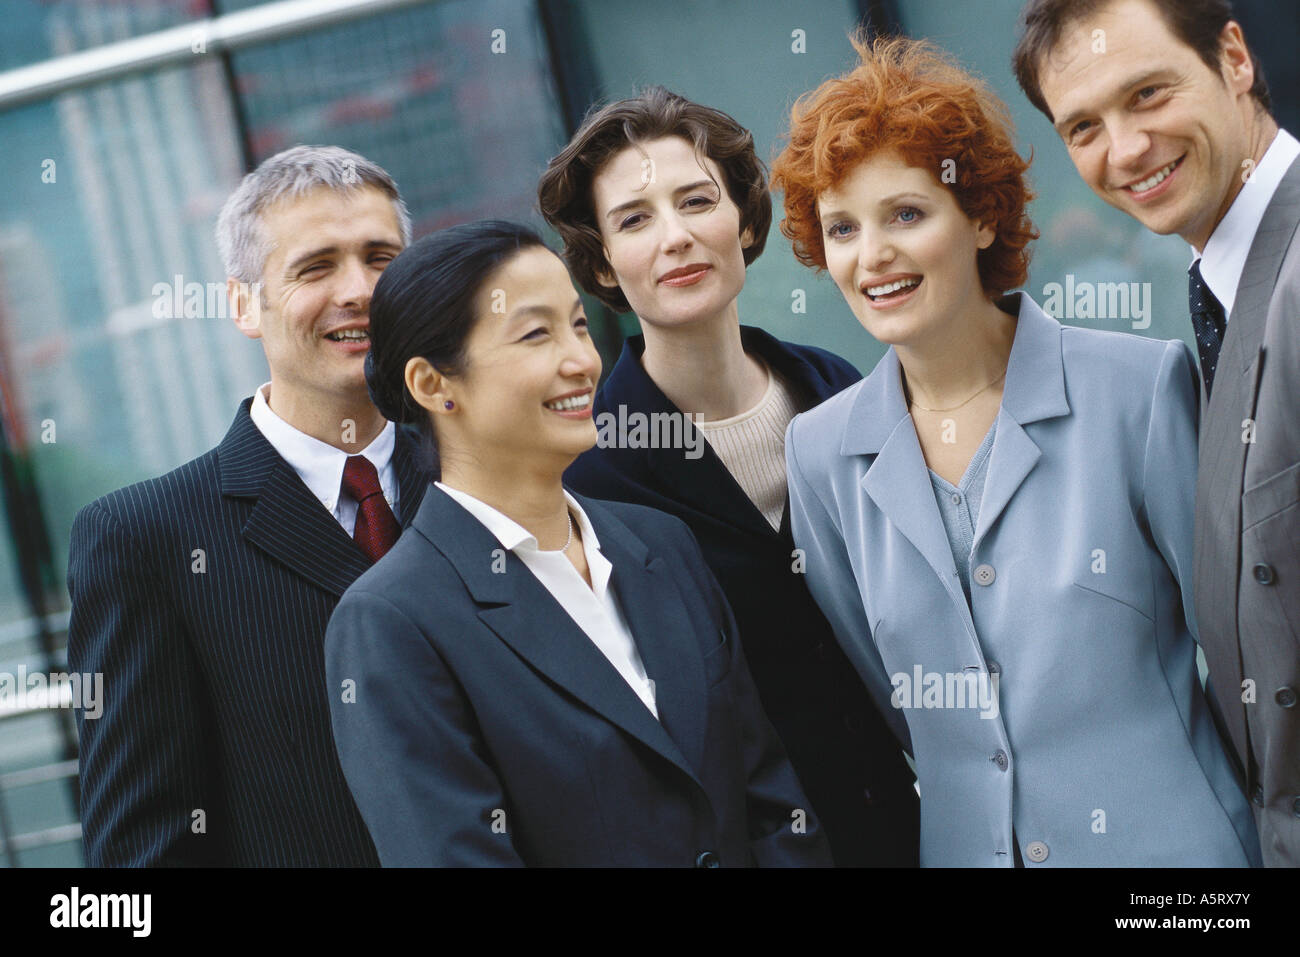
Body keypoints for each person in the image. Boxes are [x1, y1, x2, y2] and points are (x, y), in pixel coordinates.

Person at [771, 33, 1260, 866]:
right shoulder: (819, 455)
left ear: (983, 214)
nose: (872, 255)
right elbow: (895, 703)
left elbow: (1244, 655)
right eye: (843, 228)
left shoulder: (1137, 391)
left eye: (906, 214)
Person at [324, 221, 830, 867]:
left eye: (579, 326)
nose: (581, 360)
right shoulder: (394, 622)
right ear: (432, 384)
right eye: (536, 334)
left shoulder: (659, 544)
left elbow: (771, 798)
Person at [537, 87, 919, 866]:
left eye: (695, 201)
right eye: (635, 219)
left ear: (744, 222)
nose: (675, 237)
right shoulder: (587, 477)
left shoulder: (842, 392)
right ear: (603, 264)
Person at [67, 145, 425, 866]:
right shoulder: (145, 541)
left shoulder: (490, 477)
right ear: (242, 304)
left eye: (380, 258)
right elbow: (144, 851)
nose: (357, 289)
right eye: (316, 266)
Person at [1013, 0, 1299, 867]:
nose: (1126, 149)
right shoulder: (1226, 287)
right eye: (1084, 126)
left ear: (1235, 59)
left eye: (1148, 93)